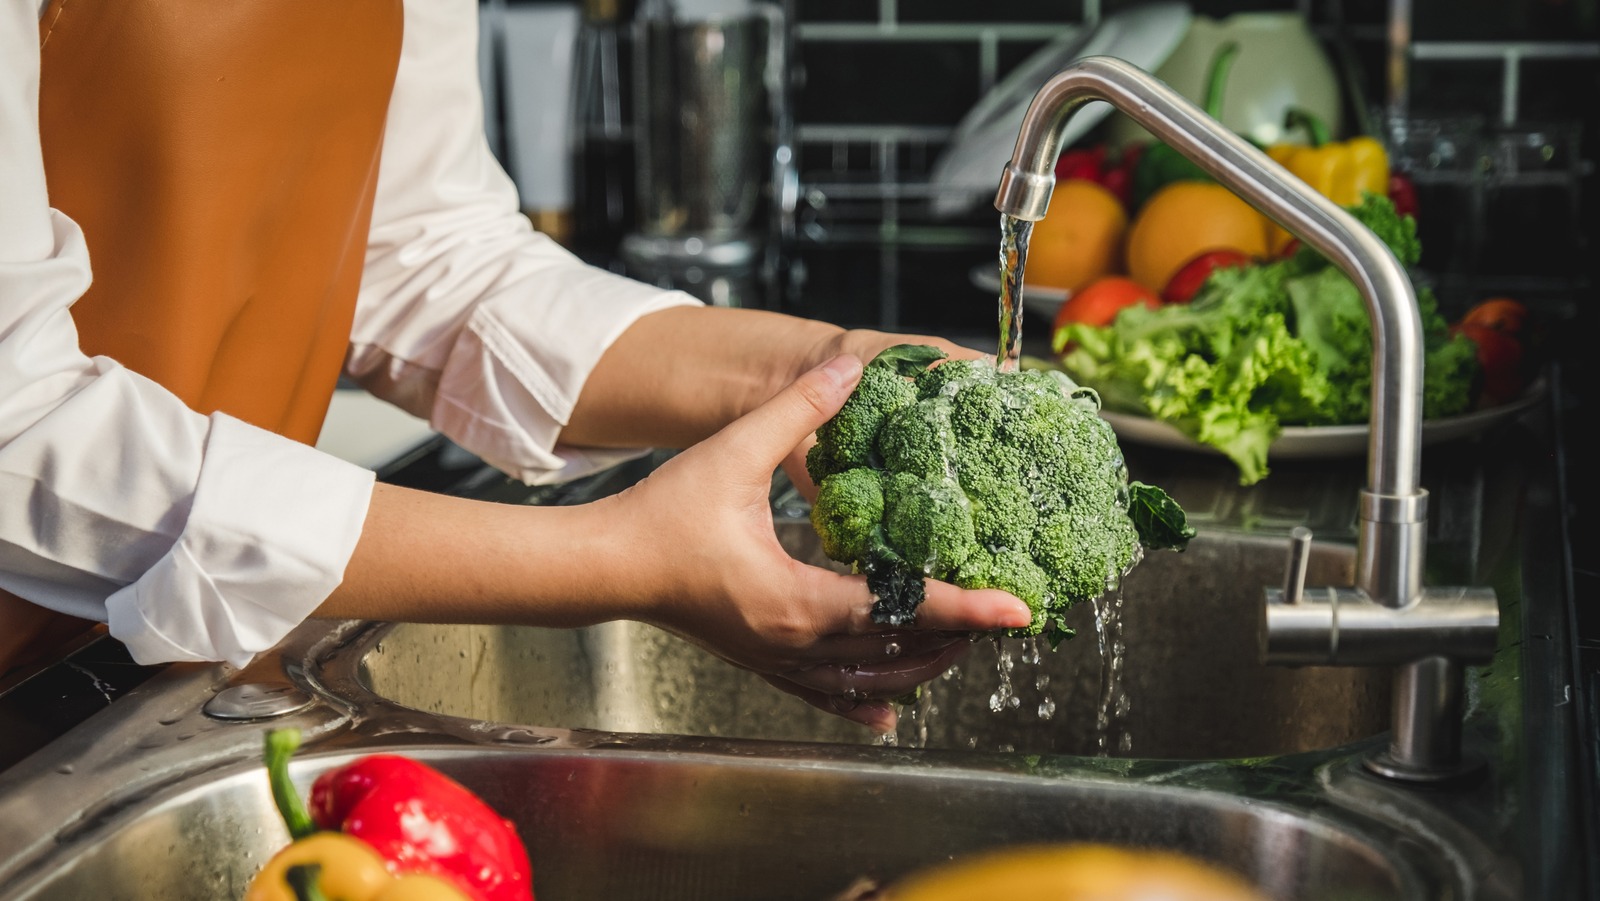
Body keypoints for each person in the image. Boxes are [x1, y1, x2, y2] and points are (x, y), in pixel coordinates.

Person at [0, 0, 1029, 733]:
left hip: (156, 668)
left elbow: (426, 254)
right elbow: (15, 418)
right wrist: (617, 558)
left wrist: (816, 367)